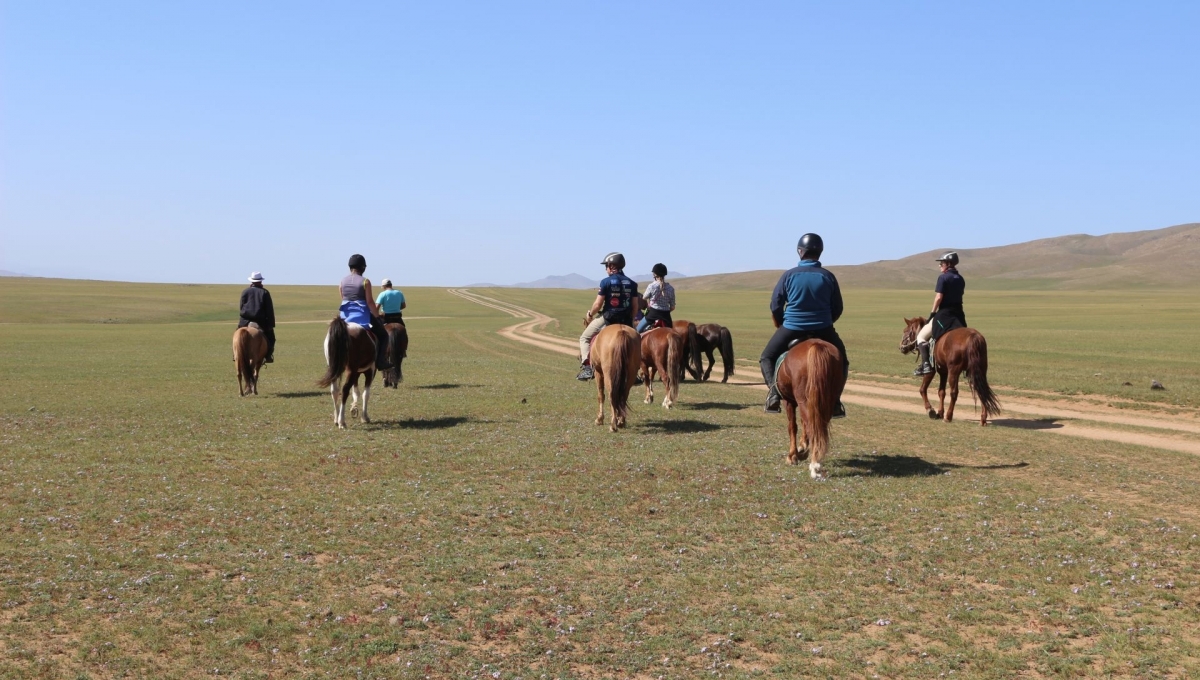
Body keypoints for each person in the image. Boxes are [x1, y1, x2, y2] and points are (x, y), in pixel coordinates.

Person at [759, 233, 849, 416]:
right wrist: (825, 321)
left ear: (800, 252)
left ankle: (774, 395)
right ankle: (835, 401)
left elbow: (775, 304)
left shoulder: (789, 275)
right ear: (820, 252)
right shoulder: (828, 276)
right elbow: (838, 307)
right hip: (823, 328)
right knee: (842, 360)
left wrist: (784, 321)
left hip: (792, 327)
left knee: (766, 357)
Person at [576, 252, 641, 380]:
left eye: (606, 266)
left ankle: (588, 368)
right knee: (637, 340)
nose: (606, 268)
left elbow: (598, 304)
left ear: (611, 266)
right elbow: (635, 307)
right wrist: (631, 320)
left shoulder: (606, 282)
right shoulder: (632, 284)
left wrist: (590, 314)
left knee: (584, 338)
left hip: (608, 318)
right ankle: (636, 372)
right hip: (626, 320)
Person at [913, 252, 966, 376]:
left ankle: (926, 365)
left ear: (948, 264)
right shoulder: (961, 279)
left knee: (920, 337)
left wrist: (932, 313)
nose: (940, 266)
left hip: (944, 315)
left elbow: (938, 297)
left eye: (941, 263)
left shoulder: (943, 278)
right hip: (959, 316)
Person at [338, 254, 393, 371]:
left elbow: (343, 299)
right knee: (383, 335)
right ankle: (381, 362)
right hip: (362, 315)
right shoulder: (365, 281)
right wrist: (377, 317)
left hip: (345, 317)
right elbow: (370, 302)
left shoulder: (342, 282)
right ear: (363, 268)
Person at [238, 272, 276, 363]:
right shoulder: (265, 292)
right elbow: (269, 310)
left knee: (237, 335)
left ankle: (235, 354)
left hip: (245, 321)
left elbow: (241, 307)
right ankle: (268, 356)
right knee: (271, 338)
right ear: (260, 281)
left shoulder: (245, 291)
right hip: (260, 321)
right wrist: (271, 324)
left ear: (251, 281)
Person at [636, 263, 675, 333]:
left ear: (654, 274)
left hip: (652, 315)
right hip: (666, 317)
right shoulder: (671, 288)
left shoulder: (652, 286)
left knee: (636, 331)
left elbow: (644, 297)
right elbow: (672, 307)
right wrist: (664, 311)